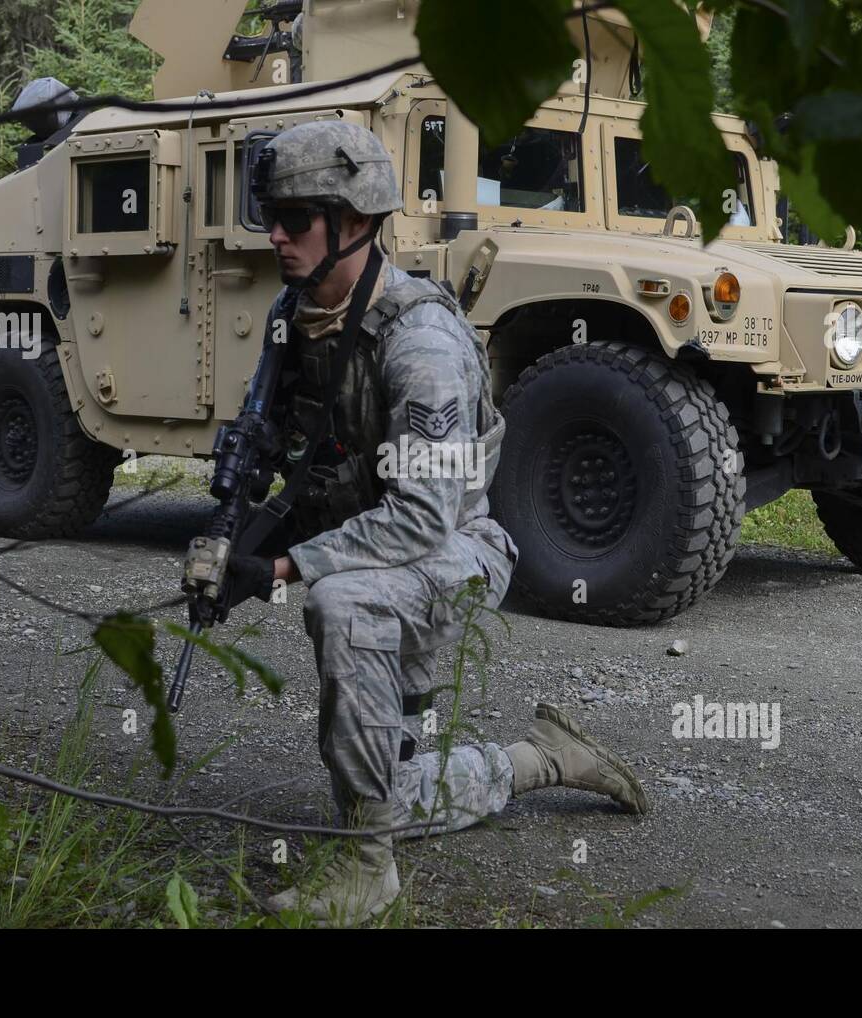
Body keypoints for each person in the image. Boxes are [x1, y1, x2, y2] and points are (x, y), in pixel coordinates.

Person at [219, 120, 647, 926]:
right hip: (378, 548)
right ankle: (549, 758)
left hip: (454, 551)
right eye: (270, 213)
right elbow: (285, 449)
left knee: (339, 607)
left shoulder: (421, 341)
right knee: (398, 789)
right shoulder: (298, 314)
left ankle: (366, 869)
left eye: (298, 217)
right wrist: (233, 534)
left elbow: (420, 517)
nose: (276, 233)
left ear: (355, 223)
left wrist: (283, 569)